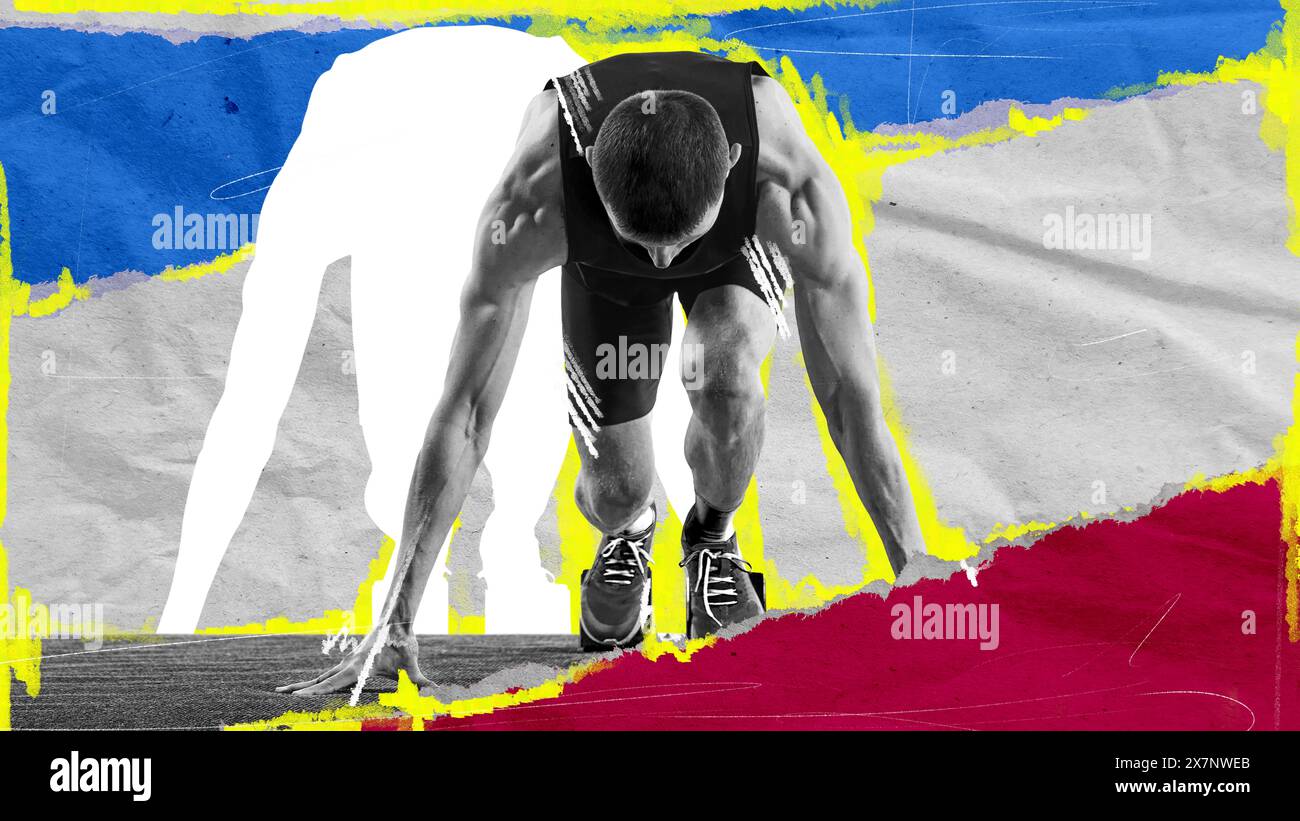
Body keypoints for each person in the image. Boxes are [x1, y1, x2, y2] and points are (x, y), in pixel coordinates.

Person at [279, 49, 925, 698]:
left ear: (733, 163)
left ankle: (713, 539)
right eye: (647, 246)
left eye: (677, 245)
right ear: (587, 175)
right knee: (618, 488)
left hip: (729, 256)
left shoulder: (790, 189)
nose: (665, 260)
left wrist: (920, 583)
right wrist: (394, 620)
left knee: (726, 372)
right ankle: (628, 534)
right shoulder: (531, 203)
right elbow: (466, 411)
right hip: (605, 271)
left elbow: (851, 400)